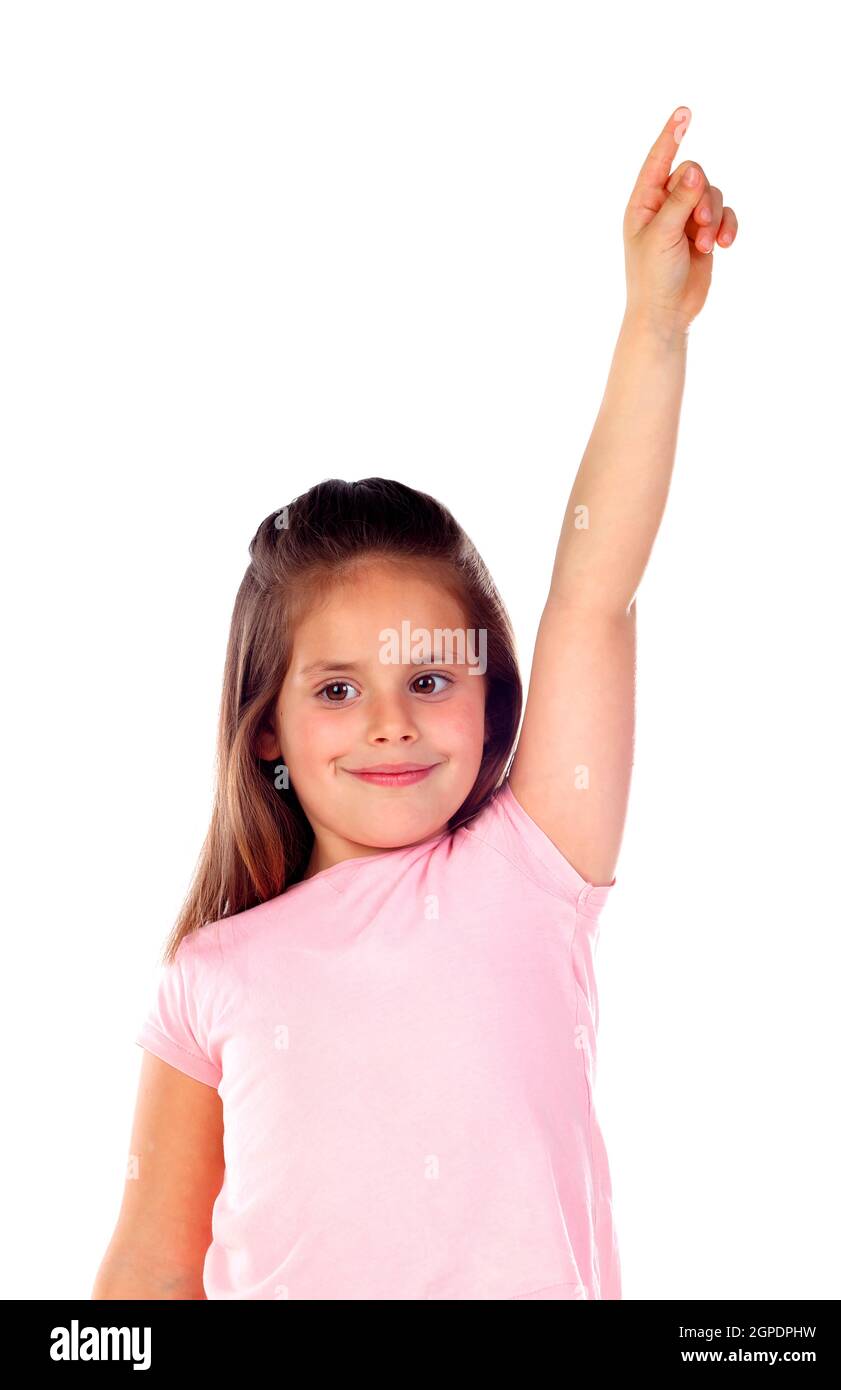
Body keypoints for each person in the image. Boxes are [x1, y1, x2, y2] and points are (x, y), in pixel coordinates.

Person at [92, 105, 737, 1300]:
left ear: (492, 703)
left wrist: (652, 327)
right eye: (337, 687)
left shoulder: (530, 870)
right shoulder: (209, 976)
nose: (390, 719)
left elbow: (593, 594)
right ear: (267, 731)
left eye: (429, 676)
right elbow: (144, 1268)